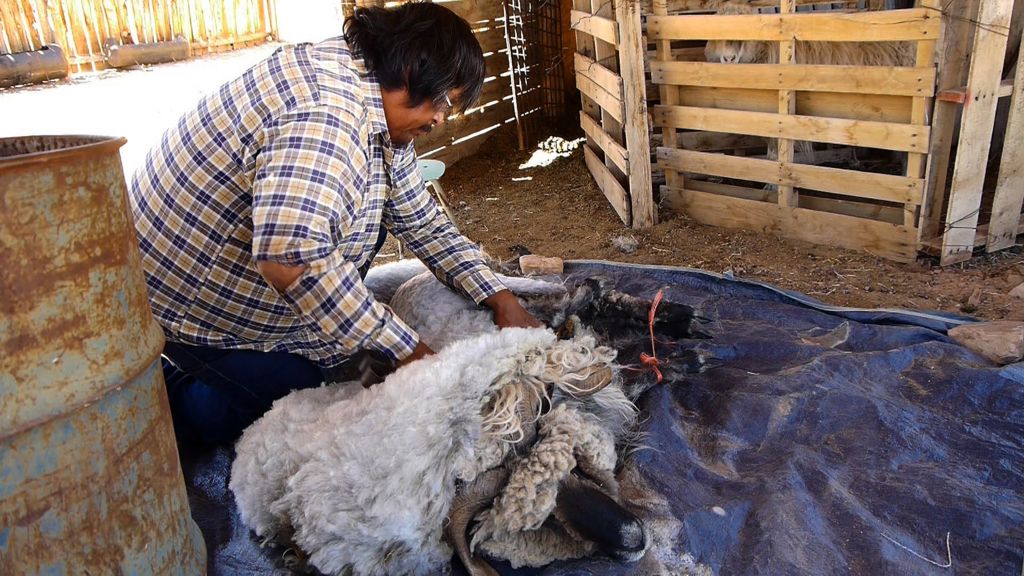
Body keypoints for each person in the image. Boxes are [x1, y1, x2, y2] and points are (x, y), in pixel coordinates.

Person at [128, 2, 541, 444]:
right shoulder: (326, 110)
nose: (441, 118)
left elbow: (422, 222)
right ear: (409, 68)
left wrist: (499, 297)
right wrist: (409, 351)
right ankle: (155, 396)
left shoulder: (377, 109)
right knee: (297, 400)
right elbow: (291, 259)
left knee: (337, 362)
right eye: (443, 101)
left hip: (244, 275)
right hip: (188, 303)